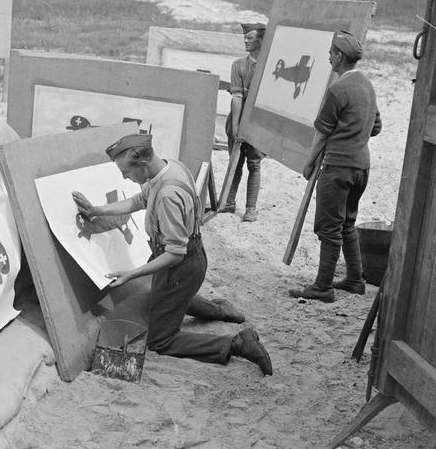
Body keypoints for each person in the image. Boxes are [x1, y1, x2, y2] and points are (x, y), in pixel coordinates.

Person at [73, 133, 273, 376]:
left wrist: (132, 274)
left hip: (179, 265)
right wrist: (97, 210)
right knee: (167, 295)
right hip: (190, 260)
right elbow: (138, 200)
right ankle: (221, 310)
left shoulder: (168, 196)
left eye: (126, 171)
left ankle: (237, 344)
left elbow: (174, 254)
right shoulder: (169, 167)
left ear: (143, 164)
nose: (125, 177)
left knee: (160, 340)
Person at [289, 30, 382, 302]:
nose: (329, 57)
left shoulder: (338, 89)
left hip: (338, 168)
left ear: (339, 56)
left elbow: (322, 133)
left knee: (328, 227)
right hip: (361, 167)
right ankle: (355, 279)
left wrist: (308, 163)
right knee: (346, 223)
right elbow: (376, 126)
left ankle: (322, 287)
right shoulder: (367, 85)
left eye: (331, 53)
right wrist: (355, 134)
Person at [221, 23, 267, 222]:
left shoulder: (269, 66)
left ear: (261, 40)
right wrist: (237, 128)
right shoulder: (238, 65)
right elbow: (236, 98)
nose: (246, 41)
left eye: (250, 37)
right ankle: (229, 203)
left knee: (254, 164)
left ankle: (251, 208)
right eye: (245, 37)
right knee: (235, 161)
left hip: (259, 124)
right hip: (237, 120)